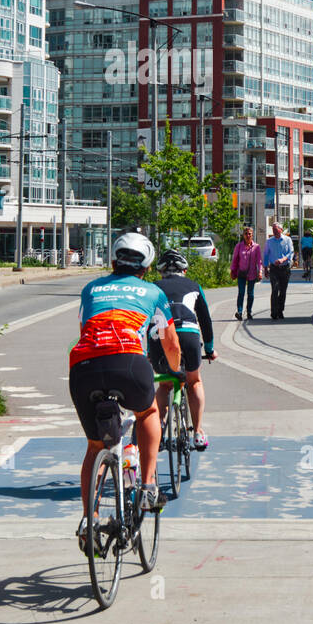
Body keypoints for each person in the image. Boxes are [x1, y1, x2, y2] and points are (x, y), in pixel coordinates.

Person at [69, 233, 181, 549]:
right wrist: (175, 369)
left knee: (94, 447)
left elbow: (84, 330)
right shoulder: (154, 292)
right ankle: (147, 486)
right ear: (145, 267)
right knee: (148, 411)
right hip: (129, 362)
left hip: (84, 366)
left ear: (114, 261)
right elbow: (169, 343)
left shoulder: (91, 288)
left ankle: (89, 521)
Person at [148, 248, 215, 451]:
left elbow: (145, 321)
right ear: (184, 270)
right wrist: (210, 348)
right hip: (188, 335)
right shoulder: (194, 286)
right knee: (194, 381)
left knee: (165, 385)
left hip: (160, 337)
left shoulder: (152, 288)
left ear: (161, 272)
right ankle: (198, 432)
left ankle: (158, 430)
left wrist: (149, 351)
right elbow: (205, 320)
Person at [263, 220, 294, 319]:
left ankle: (280, 310)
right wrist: (265, 268)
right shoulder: (269, 241)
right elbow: (266, 255)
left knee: (283, 291)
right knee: (275, 289)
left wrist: (283, 259)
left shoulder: (287, 240)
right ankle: (274, 312)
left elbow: (291, 252)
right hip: (274, 269)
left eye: (276, 229)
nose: (275, 231)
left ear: (281, 230)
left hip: (284, 268)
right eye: (273, 230)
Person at [231, 226, 262, 321]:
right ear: (243, 235)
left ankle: (249, 311)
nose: (248, 235)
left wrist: (260, 271)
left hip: (252, 273)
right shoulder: (239, 246)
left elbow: (259, 261)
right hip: (241, 273)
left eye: (250, 234)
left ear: (252, 235)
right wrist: (233, 271)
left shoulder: (256, 247)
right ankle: (239, 312)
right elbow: (235, 259)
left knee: (250, 294)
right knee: (241, 293)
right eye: (246, 234)